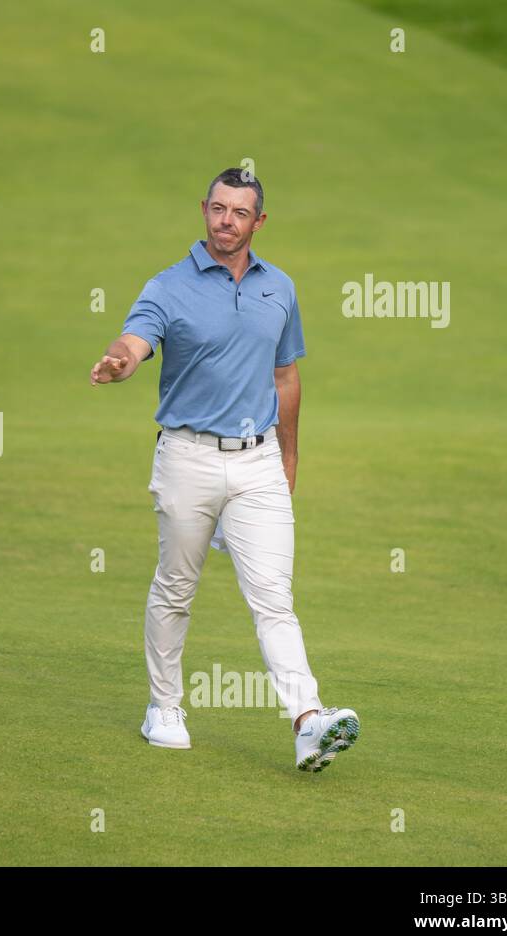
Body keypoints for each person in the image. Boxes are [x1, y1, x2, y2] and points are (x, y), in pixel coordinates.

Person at [89, 168, 359, 772]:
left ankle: (308, 719)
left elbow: (285, 375)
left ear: (258, 222)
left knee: (274, 598)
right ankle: (164, 707)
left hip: (259, 460)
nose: (225, 221)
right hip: (187, 456)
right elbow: (137, 338)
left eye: (238, 212)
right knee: (177, 588)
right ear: (203, 211)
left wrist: (289, 455)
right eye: (216, 208)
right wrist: (120, 361)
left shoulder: (279, 288)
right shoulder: (168, 285)